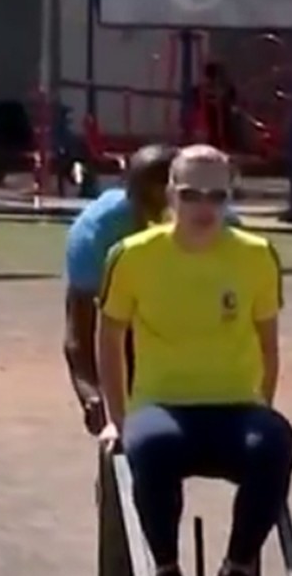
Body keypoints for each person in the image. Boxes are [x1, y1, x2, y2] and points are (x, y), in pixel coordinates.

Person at [95, 144, 292, 576]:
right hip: (162, 405)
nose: (204, 209)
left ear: (230, 198)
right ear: (170, 195)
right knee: (153, 446)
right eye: (191, 195)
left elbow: (268, 345)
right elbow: (108, 339)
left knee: (274, 443)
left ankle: (237, 570)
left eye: (216, 197)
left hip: (234, 407)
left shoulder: (256, 256)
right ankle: (167, 572)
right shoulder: (133, 256)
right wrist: (116, 419)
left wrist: (263, 407)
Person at [65, 143, 242, 434]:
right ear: (129, 195)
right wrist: (90, 392)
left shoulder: (221, 228)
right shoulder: (94, 233)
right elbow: (79, 331)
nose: (158, 214)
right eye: (146, 202)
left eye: (169, 203)